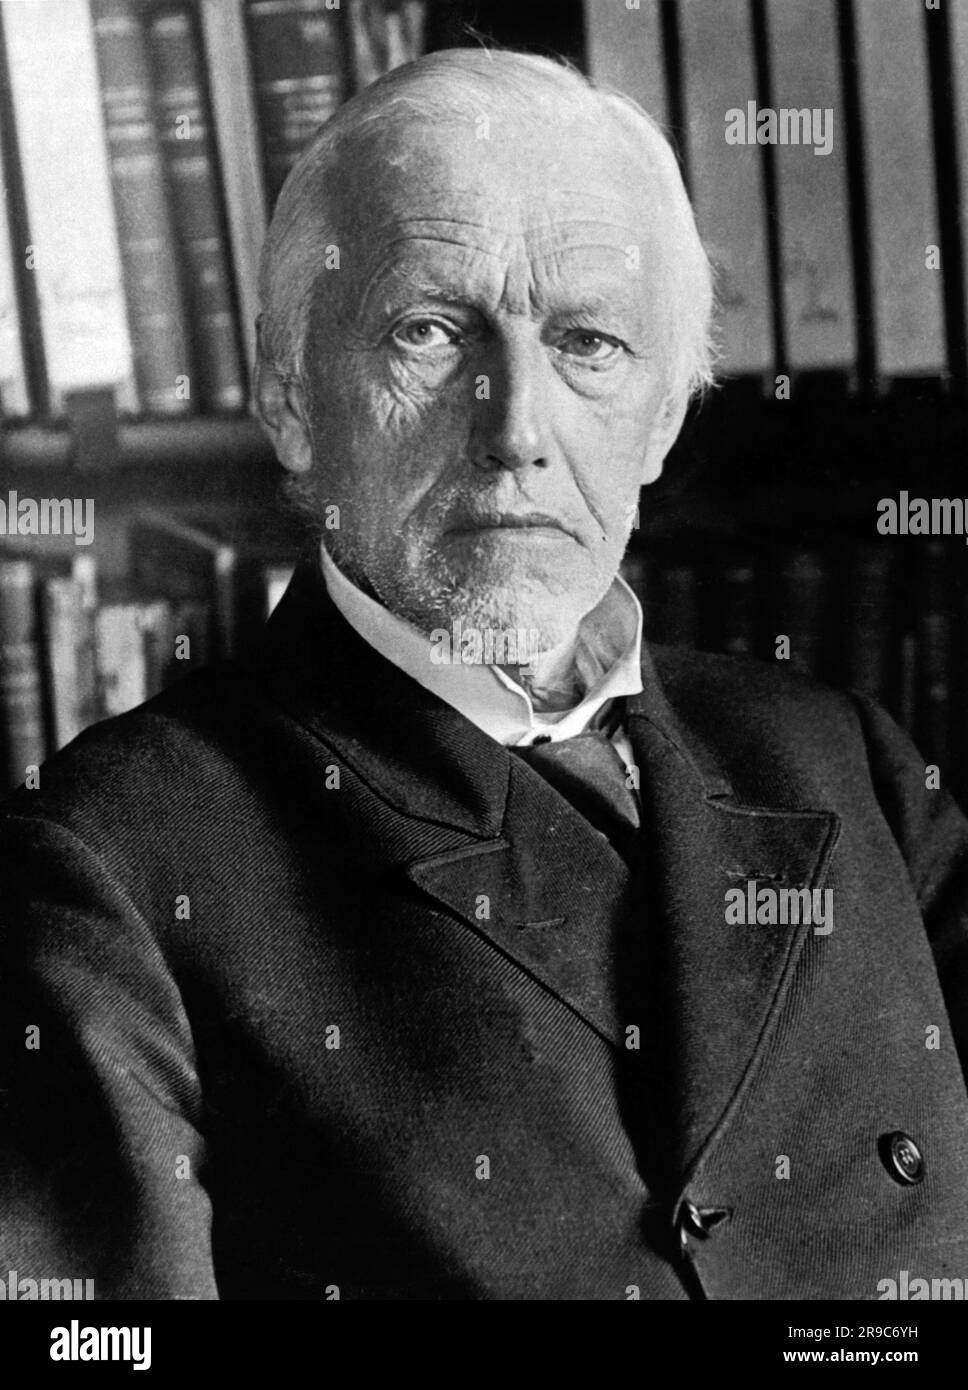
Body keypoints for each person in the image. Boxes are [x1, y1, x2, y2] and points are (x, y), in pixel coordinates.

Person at [2, 48, 967, 1303]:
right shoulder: (112, 863)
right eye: (427, 328)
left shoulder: (855, 770)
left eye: (587, 343)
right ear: (291, 397)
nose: (514, 425)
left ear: (665, 416)